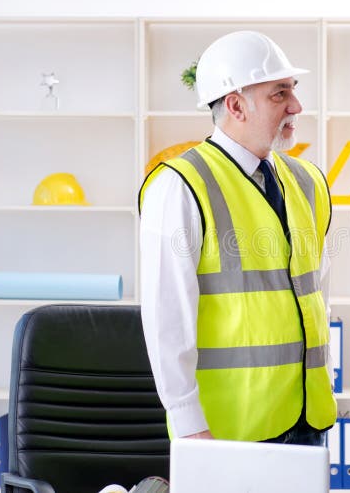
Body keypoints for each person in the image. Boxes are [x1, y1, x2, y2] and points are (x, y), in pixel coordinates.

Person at [139, 30, 336, 446]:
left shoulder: (308, 181)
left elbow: (317, 296)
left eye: (293, 89)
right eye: (279, 93)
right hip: (226, 431)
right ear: (235, 105)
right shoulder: (180, 185)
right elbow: (166, 319)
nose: (296, 106)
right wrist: (189, 423)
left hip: (308, 419)